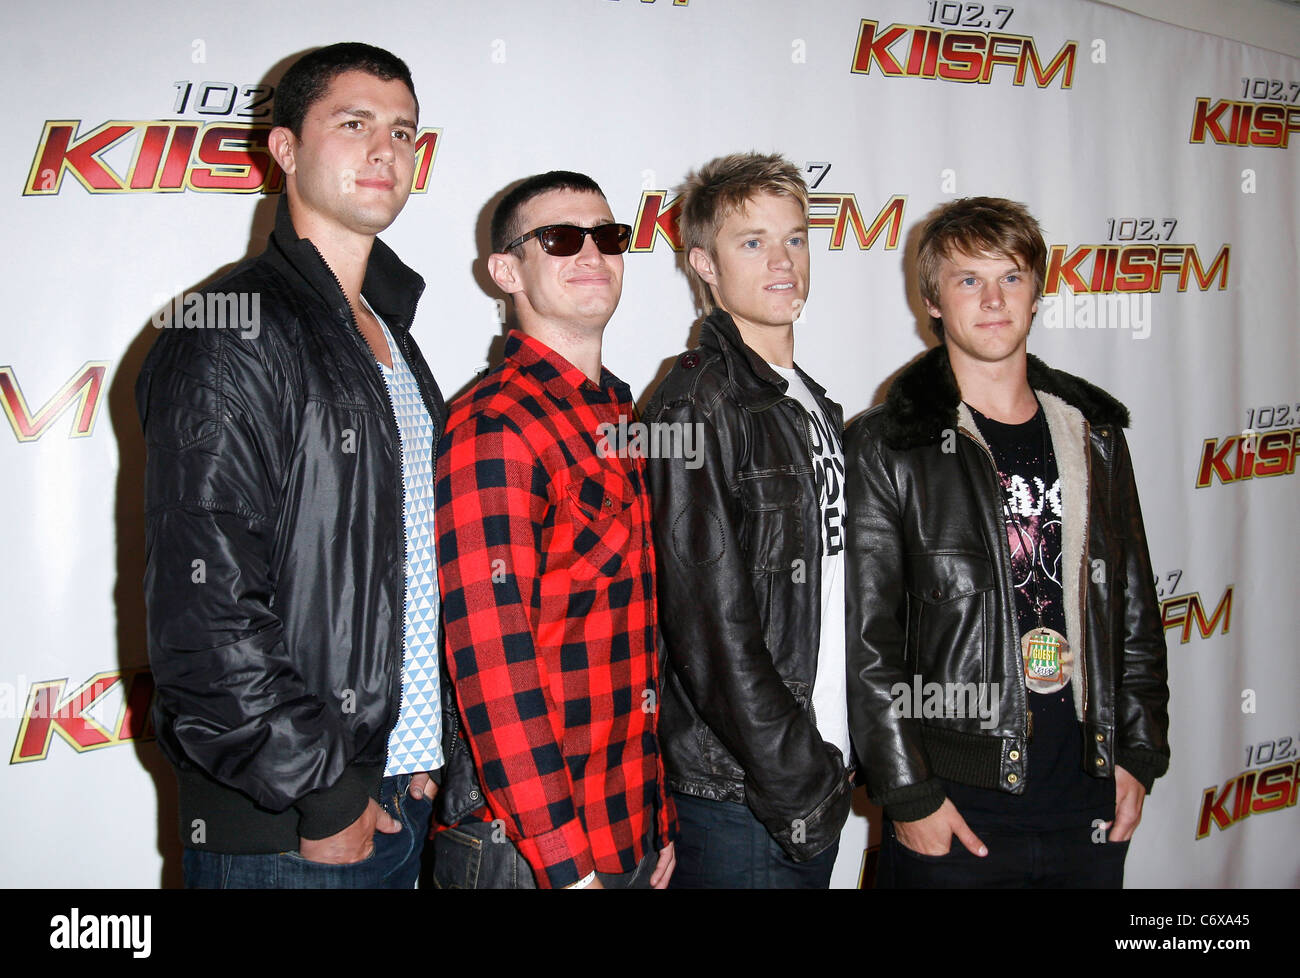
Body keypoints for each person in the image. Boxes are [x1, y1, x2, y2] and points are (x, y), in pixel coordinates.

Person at [136, 42, 446, 888]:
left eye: (404, 132)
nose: (386, 149)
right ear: (284, 149)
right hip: (292, 827)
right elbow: (206, 610)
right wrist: (323, 796)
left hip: (397, 789)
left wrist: (427, 741)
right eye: (354, 124)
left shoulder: (391, 335)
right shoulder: (230, 327)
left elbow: (406, 571)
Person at [845, 196, 1170, 888]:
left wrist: (1138, 756)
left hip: (1087, 797)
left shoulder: (1094, 434)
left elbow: (1135, 608)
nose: (993, 300)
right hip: (957, 806)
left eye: (1011, 278)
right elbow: (867, 640)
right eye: (968, 280)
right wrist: (907, 795)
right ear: (932, 300)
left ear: (1037, 292)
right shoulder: (888, 444)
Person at [431, 171, 676, 889]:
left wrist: (654, 816)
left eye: (608, 237)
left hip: (630, 834)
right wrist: (568, 869)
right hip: (531, 858)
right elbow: (493, 664)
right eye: (561, 239)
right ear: (506, 271)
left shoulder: (617, 415)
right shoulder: (494, 424)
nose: (592, 253)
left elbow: (631, 640)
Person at [642, 152, 852, 888]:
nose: (782, 261)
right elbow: (708, 628)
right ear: (704, 262)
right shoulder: (695, 401)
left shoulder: (811, 403)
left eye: (794, 238)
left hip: (811, 773)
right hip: (743, 795)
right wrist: (797, 779)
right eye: (752, 242)